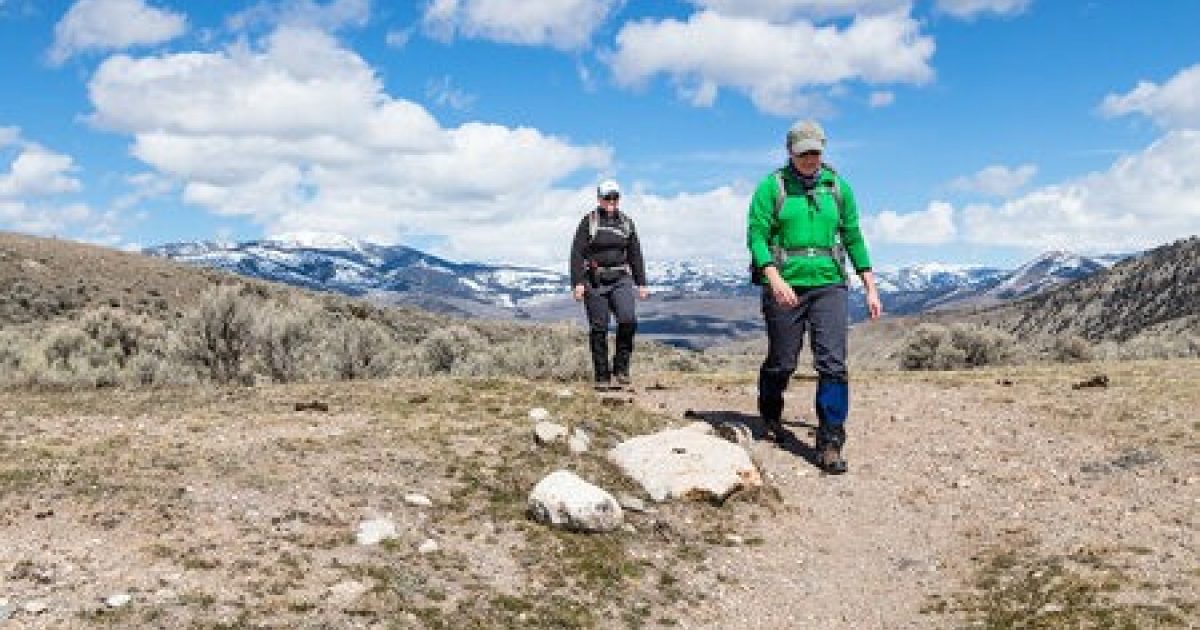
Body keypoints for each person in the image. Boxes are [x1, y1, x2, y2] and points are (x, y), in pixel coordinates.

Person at [746, 120, 882, 474]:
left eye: (815, 151)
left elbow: (853, 237)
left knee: (833, 363)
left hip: (830, 284)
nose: (810, 158)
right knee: (783, 361)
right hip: (785, 283)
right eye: (803, 151)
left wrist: (870, 285)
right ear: (790, 151)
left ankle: (830, 441)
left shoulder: (838, 188)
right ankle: (771, 413)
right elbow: (757, 236)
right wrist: (773, 277)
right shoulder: (770, 187)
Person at [569, 179, 649, 390]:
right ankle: (602, 376)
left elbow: (635, 254)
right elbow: (576, 253)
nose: (612, 201)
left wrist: (641, 283)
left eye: (615, 197)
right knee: (599, 328)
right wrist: (577, 282)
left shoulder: (626, 223)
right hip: (594, 280)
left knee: (628, 319)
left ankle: (621, 368)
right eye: (607, 198)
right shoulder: (589, 222)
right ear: (599, 199)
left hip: (621, 278)